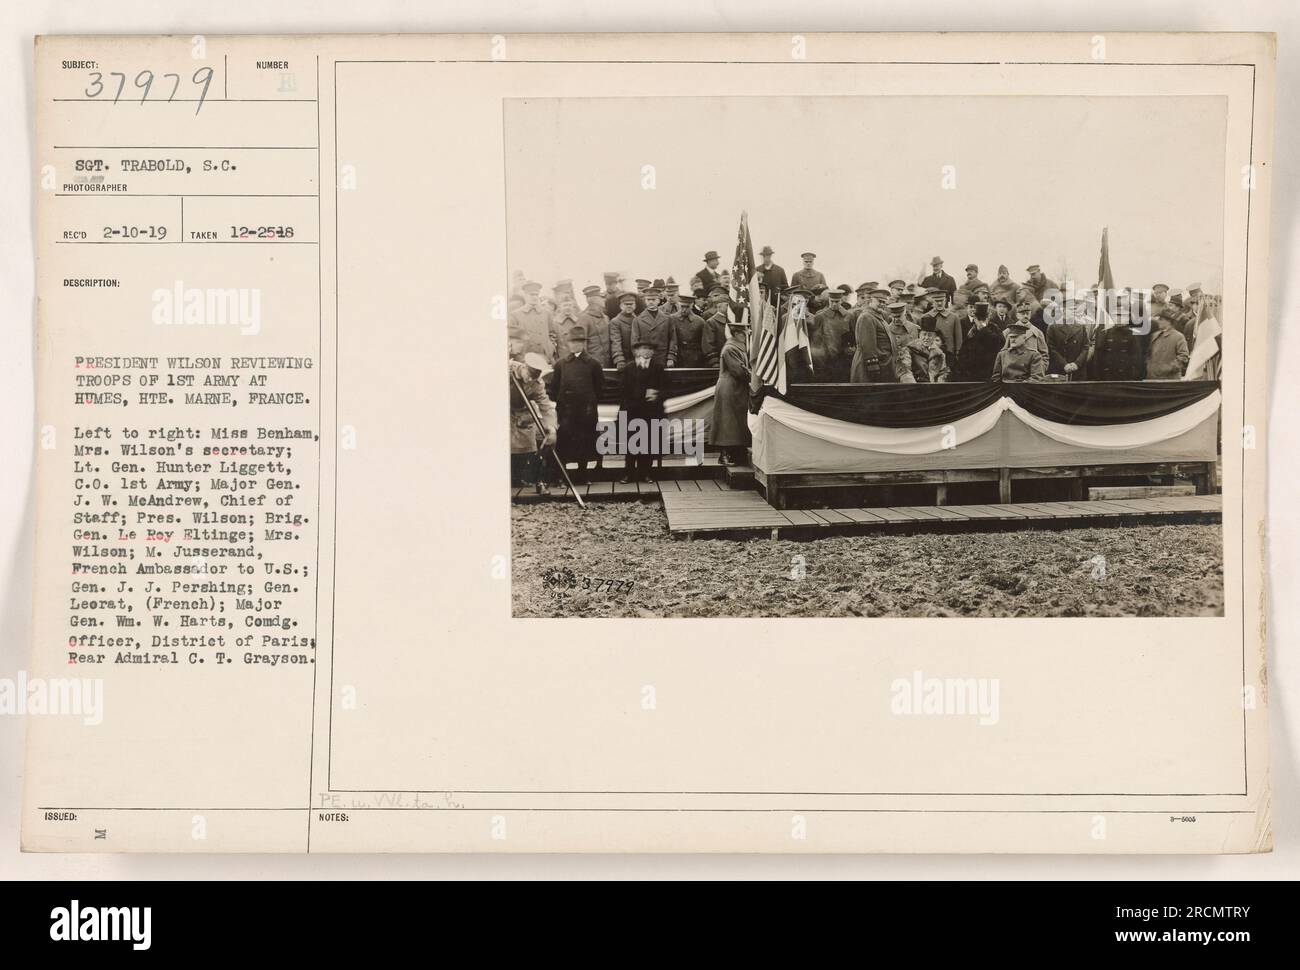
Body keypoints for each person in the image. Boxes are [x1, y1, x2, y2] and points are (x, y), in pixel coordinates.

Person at [548, 327, 605, 484]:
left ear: (584, 344)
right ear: (568, 344)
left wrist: (590, 404)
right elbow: (554, 388)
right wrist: (563, 404)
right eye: (572, 342)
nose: (575, 345)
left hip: (586, 412)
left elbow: (599, 388)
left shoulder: (593, 364)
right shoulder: (561, 364)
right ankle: (562, 476)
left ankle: (583, 475)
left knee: (585, 441)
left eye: (579, 342)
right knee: (564, 442)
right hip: (566, 411)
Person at [619, 339, 666, 484]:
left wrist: (657, 394)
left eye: (649, 348)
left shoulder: (658, 368)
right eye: (643, 348)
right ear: (636, 351)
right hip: (632, 412)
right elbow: (622, 391)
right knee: (630, 444)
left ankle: (646, 473)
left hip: (651, 412)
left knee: (649, 444)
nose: (646, 351)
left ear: (653, 352)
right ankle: (628, 474)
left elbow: (667, 389)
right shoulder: (628, 368)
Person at [509, 351, 557, 492]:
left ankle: (539, 481)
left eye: (534, 377)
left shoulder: (537, 384)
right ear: (524, 367)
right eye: (529, 376)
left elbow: (545, 406)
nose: (530, 380)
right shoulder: (507, 369)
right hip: (503, 413)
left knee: (537, 441)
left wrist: (551, 427)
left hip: (523, 414)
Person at [710, 318, 752, 465]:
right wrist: (754, 376)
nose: (748, 333)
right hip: (730, 389)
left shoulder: (737, 346)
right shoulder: (731, 348)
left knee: (734, 423)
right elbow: (739, 371)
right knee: (727, 423)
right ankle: (724, 455)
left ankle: (734, 455)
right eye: (746, 331)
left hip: (735, 388)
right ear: (738, 333)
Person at [850, 288, 895, 383]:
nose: (882, 304)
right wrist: (873, 368)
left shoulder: (878, 316)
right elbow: (868, 346)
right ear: (870, 300)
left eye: (884, 302)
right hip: (869, 366)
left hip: (882, 363)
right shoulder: (867, 317)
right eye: (879, 301)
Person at [809, 285, 854, 382]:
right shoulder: (820, 316)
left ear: (841, 301)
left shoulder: (849, 316)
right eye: (832, 301)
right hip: (827, 360)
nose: (834, 304)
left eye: (837, 301)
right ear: (829, 300)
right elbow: (816, 341)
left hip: (844, 359)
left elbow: (853, 338)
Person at [508, 280, 559, 363]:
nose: (534, 297)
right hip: (525, 358)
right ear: (525, 295)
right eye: (531, 294)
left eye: (536, 294)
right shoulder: (515, 315)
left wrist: (551, 347)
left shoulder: (546, 313)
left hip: (545, 357)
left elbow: (552, 334)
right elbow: (512, 338)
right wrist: (519, 355)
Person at [991, 309, 1047, 382]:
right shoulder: (1002, 355)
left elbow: (1036, 378)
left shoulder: (1034, 355)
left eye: (1015, 337)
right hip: (1005, 391)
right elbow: (996, 379)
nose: (1012, 340)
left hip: (1025, 390)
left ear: (1024, 338)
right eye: (1011, 337)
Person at [954, 301, 1004, 381]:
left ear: (988, 318)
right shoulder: (971, 333)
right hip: (972, 374)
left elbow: (999, 346)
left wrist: (984, 330)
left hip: (990, 374)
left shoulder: (995, 330)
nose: (981, 322)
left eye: (984, 319)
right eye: (979, 319)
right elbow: (963, 354)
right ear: (974, 318)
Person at [632, 286, 677, 368]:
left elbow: (673, 339)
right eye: (648, 300)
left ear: (659, 300)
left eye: (653, 300)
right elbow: (635, 342)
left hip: (662, 358)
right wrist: (638, 357)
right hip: (645, 359)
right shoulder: (637, 320)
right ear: (645, 301)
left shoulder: (667, 318)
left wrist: (671, 357)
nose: (651, 302)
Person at [897, 313, 949, 383]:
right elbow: (905, 370)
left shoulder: (939, 354)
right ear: (919, 335)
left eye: (930, 335)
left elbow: (943, 372)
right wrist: (913, 386)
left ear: (934, 337)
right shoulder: (909, 350)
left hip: (932, 388)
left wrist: (939, 384)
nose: (926, 338)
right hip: (915, 387)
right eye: (924, 334)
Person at [1046, 299, 1092, 379]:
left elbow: (1085, 347)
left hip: (1078, 370)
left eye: (1075, 309)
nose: (1074, 311)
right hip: (1060, 369)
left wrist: (1077, 363)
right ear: (1063, 311)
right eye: (1071, 309)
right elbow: (1051, 349)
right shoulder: (1053, 327)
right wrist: (1064, 364)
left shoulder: (1081, 326)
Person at [1145, 311, 1190, 379]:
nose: (1158, 321)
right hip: (1152, 378)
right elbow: (1149, 355)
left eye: (1161, 319)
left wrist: (1167, 368)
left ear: (1168, 321)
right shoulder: (1154, 335)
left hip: (1169, 379)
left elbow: (1183, 357)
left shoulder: (1179, 337)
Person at [577, 284, 613, 366]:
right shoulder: (584, 318)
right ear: (595, 300)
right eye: (602, 298)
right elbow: (581, 344)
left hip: (607, 362)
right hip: (592, 363)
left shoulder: (605, 318)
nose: (604, 300)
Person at [608, 291, 640, 370]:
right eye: (626, 304)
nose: (629, 306)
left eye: (631, 304)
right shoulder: (615, 322)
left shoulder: (639, 320)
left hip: (638, 358)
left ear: (635, 305)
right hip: (624, 360)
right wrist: (619, 360)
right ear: (621, 306)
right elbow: (616, 342)